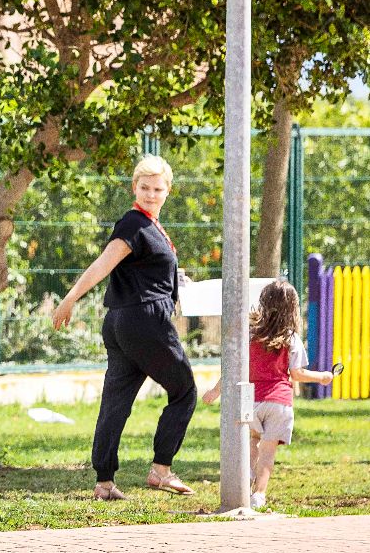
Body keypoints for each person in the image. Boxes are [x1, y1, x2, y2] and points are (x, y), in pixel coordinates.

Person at [52, 154, 198, 501]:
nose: (151, 194)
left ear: (168, 191)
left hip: (122, 321)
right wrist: (70, 298)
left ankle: (104, 481)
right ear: (134, 187)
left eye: (157, 189)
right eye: (144, 188)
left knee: (116, 402)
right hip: (144, 321)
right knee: (185, 391)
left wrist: (179, 282)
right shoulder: (133, 223)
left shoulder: (151, 227)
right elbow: (104, 263)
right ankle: (161, 470)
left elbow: (146, 271)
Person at [200, 280, 335, 509]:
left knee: (253, 441)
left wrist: (215, 391)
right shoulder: (291, 338)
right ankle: (259, 495)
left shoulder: (250, 335)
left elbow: (235, 368)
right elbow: (297, 374)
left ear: (263, 302)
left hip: (251, 401)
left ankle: (246, 480)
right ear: (292, 308)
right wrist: (322, 377)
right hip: (279, 403)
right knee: (268, 451)